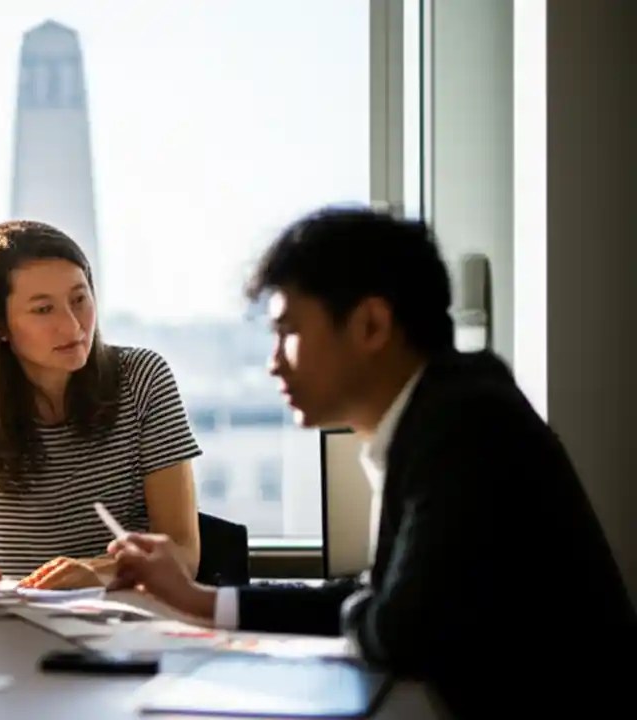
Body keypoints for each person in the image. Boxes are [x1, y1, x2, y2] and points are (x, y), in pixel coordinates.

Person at [110, 207, 637, 714]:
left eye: (287, 331)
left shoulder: (466, 423)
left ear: (371, 325)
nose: (273, 363)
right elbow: (383, 604)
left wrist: (372, 606)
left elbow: (400, 628)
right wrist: (200, 600)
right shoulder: (441, 408)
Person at [0, 220, 202, 586]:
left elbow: (183, 553)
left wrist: (96, 573)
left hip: (119, 622)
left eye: (79, 300)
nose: (73, 326)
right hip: (2, 623)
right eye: (43, 310)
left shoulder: (143, 378)